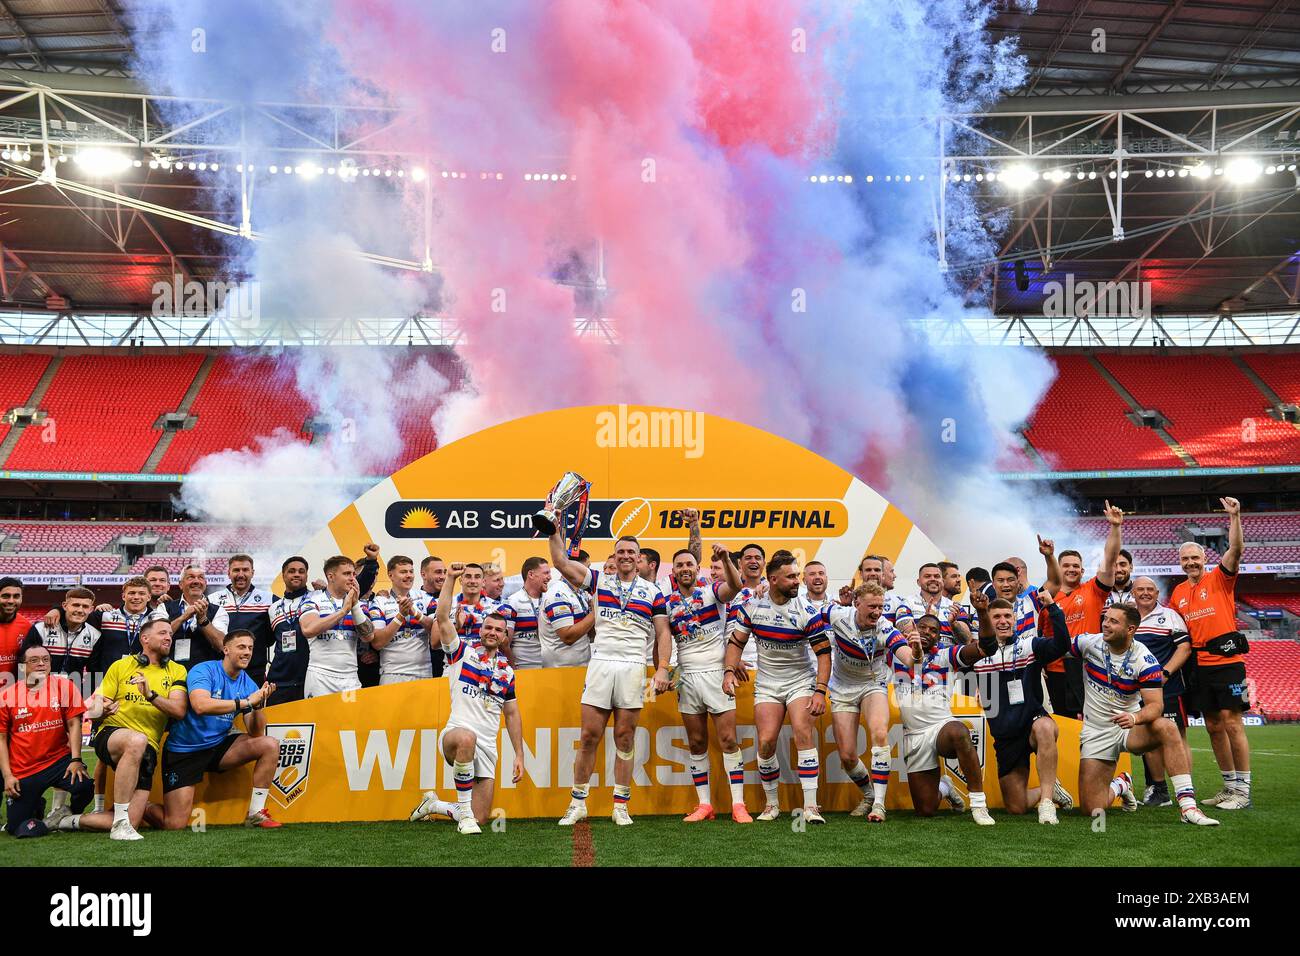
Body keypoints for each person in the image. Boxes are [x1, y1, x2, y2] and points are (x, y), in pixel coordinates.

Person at [549, 531, 671, 826]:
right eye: (621, 552)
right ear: (614, 557)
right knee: (589, 736)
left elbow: (663, 632)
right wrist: (554, 530)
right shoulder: (598, 581)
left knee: (625, 738)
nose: (626, 556)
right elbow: (561, 561)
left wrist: (664, 668)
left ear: (640, 558)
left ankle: (621, 805)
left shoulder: (653, 592)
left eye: (632, 552)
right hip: (601, 663)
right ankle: (578, 803)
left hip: (634, 666)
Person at [1064, 604, 1219, 826]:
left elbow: (1156, 706)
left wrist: (1135, 718)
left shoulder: (1145, 660)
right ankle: (1122, 784)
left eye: (1113, 621)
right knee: (1092, 810)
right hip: (1096, 731)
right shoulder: (1089, 642)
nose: (1105, 624)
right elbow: (1056, 649)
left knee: (1167, 727)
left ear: (1131, 630)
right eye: (1105, 619)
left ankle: (1188, 806)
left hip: (1130, 728)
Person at [410, 563, 524, 834]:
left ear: (505, 636)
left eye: (498, 630)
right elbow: (442, 618)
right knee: (466, 738)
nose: (492, 632)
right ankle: (465, 819)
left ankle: (435, 805)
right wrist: (450, 578)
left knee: (483, 816)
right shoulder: (461, 654)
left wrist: (519, 753)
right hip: (456, 737)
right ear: (481, 630)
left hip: (487, 747)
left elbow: (512, 714)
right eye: (488, 628)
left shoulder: (507, 672)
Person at [723, 553, 831, 824]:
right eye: (792, 576)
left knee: (803, 733)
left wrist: (819, 690)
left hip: (800, 680)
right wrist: (728, 673)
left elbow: (823, 654)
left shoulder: (807, 610)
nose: (798, 581)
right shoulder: (752, 605)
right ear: (773, 579)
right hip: (768, 683)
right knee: (766, 742)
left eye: (797, 575)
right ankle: (772, 805)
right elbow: (736, 642)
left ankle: (810, 807)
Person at [57, 619, 189, 840]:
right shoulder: (121, 666)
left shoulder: (177, 670)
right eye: (162, 633)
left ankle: (65, 820)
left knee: (133, 821)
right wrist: (103, 709)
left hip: (148, 748)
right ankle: (120, 824)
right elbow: (93, 708)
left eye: (170, 634)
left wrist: (151, 695)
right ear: (144, 639)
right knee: (136, 740)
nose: (169, 637)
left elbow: (178, 710)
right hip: (111, 735)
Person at [966, 589, 1074, 824]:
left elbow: (1062, 644)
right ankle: (1050, 790)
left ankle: (1046, 804)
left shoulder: (1029, 646)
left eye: (1008, 616)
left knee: (1045, 728)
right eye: (997, 617)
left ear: (1015, 619)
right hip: (1006, 735)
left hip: (1032, 721)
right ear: (987, 620)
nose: (1003, 621)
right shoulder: (977, 654)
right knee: (1016, 806)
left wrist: (1053, 609)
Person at [1170, 497, 1251, 810]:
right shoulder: (1178, 593)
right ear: (1180, 562)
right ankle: (1228, 786)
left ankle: (1243, 792)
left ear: (1204, 558)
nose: (1191, 562)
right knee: (1214, 726)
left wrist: (1235, 517)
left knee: (1233, 724)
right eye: (1185, 559)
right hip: (1199, 666)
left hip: (1230, 663)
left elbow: (1236, 550)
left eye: (1195, 557)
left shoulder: (1220, 578)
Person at [159, 629, 281, 829]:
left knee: (269, 744)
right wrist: (245, 702)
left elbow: (256, 732)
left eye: (250, 648)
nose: (247, 652)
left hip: (219, 747)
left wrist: (258, 705)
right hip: (185, 750)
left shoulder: (248, 683)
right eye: (241, 647)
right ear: (226, 649)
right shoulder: (204, 670)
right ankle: (143, 808)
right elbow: (200, 706)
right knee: (174, 824)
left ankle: (255, 813)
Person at [886, 614, 995, 825]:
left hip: (940, 727)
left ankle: (979, 803)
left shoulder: (947, 656)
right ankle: (945, 787)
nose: (927, 632)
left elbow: (987, 647)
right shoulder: (896, 654)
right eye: (923, 627)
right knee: (925, 809)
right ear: (914, 629)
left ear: (939, 637)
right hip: (914, 736)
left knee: (959, 731)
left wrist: (982, 612)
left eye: (933, 630)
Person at [662, 545, 744, 822]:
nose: (685, 568)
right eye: (679, 565)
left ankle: (738, 805)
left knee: (728, 740)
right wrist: (669, 674)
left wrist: (725, 559)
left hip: (716, 674)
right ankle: (705, 805)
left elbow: (736, 585)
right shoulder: (667, 602)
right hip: (687, 677)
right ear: (673, 572)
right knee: (696, 742)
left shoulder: (712, 592)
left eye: (689, 564)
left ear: (698, 569)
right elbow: (664, 642)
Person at [826, 582, 917, 822]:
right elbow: (808, 616)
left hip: (872, 684)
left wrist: (916, 652)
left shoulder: (884, 627)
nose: (877, 612)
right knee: (847, 756)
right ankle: (868, 794)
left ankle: (879, 804)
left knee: (879, 733)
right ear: (857, 604)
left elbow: (907, 658)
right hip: (842, 688)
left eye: (880, 606)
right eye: (872, 606)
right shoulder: (837, 615)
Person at [0, 642, 92, 836]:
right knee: (19, 829)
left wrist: (76, 760)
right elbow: (1, 739)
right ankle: (36, 806)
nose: (41, 664)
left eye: (45, 660)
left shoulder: (64, 686)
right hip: (25, 768)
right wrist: (8, 776)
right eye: (34, 660)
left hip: (58, 761)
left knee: (84, 786)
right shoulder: (7, 695)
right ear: (23, 666)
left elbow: (74, 724)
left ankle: (67, 814)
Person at [1041, 503, 1123, 720]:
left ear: (1082, 570)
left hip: (1088, 666)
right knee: (1061, 724)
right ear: (1058, 569)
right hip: (1056, 669)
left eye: (1076, 565)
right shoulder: (1046, 595)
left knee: (1092, 722)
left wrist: (1115, 527)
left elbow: (1110, 561)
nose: (1071, 569)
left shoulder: (1093, 590)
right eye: (1066, 565)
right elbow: (1037, 634)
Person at [1131, 576, 1192, 807]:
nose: (1145, 593)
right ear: (1133, 594)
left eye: (1150, 590)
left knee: (1177, 737)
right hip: (1136, 691)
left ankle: (1186, 789)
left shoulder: (1170, 616)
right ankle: (1160, 790)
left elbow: (1184, 648)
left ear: (1157, 593)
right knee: (1150, 740)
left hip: (1168, 688)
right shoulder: (1128, 617)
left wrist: (1164, 674)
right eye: (1140, 590)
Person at [298, 555, 372, 698]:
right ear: (331, 577)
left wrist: (355, 606)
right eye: (346, 574)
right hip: (320, 677)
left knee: (351, 720)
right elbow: (308, 630)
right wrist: (343, 611)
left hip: (350, 678)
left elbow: (368, 636)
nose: (352, 578)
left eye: (353, 574)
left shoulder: (360, 605)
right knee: (321, 720)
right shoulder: (313, 600)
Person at [367, 555, 434, 683]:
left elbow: (436, 631)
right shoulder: (380, 601)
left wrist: (416, 613)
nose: (409, 575)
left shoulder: (425, 598)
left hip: (424, 673)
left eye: (411, 571)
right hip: (392, 673)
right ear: (390, 575)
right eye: (403, 572)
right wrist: (400, 616)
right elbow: (377, 643)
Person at [209, 554, 274, 684]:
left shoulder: (269, 599)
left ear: (252, 573)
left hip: (255, 671)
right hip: (222, 670)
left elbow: (271, 637)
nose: (241, 574)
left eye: (245, 570)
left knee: (254, 704)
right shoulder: (213, 599)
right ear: (228, 573)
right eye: (236, 570)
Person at [26, 587, 103, 684]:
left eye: (85, 606)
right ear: (65, 606)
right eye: (75, 605)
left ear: (91, 609)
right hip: (40, 689)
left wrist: (87, 695)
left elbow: (94, 673)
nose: (80, 610)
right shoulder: (41, 629)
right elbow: (24, 663)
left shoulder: (95, 636)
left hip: (73, 692)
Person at [164, 566, 230, 670]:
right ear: (180, 584)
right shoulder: (165, 607)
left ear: (205, 584)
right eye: (190, 577)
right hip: (169, 671)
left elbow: (221, 645)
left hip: (207, 673)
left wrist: (203, 620)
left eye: (200, 578)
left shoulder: (218, 611)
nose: (196, 581)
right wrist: (182, 618)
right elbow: (156, 637)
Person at [267, 556, 311, 705]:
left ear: (306, 575)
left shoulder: (317, 599)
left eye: (301, 571)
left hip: (309, 678)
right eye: (291, 571)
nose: (297, 574)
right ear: (283, 575)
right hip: (280, 680)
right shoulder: (273, 607)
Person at [540, 549, 595, 668]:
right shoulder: (558, 593)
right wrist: (596, 612)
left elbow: (589, 634)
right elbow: (567, 637)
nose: (589, 573)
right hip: (560, 670)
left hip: (581, 667)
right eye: (587, 568)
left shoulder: (581, 593)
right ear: (575, 568)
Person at [899, 562, 971, 647]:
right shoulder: (907, 603)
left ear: (943, 581)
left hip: (947, 657)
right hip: (918, 656)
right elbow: (907, 636)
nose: (933, 579)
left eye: (937, 576)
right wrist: (927, 620)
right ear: (918, 582)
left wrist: (954, 623)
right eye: (927, 576)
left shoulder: (955, 606)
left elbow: (967, 641)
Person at [497, 557, 550, 670]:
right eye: (546, 573)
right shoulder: (513, 602)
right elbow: (505, 643)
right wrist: (513, 668)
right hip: (524, 668)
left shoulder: (551, 599)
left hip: (551, 667)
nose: (549, 577)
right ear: (530, 574)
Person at [414, 556, 449, 676]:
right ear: (423, 575)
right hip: (419, 668)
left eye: (445, 572)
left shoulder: (453, 601)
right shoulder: (411, 599)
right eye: (438, 572)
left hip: (445, 666)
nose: (443, 577)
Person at [0, 576, 30, 684]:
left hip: (14, 694)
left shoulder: (26, 627)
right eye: (5, 596)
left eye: (16, 596)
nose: (11, 601)